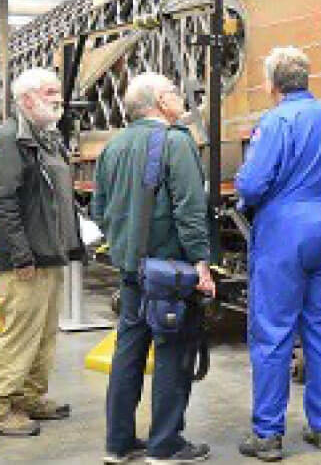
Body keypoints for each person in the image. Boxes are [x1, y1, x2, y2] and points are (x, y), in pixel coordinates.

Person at [92, 72, 215, 465]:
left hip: (131, 269)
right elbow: (190, 209)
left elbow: (99, 209)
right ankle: (165, 444)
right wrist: (202, 263)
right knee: (173, 353)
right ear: (161, 100)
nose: (181, 98)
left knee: (128, 351)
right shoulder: (176, 142)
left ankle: (119, 443)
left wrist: (127, 247)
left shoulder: (113, 146)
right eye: (176, 92)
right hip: (171, 272)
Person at [236, 47, 321, 461]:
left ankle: (267, 434)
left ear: (272, 84)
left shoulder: (275, 121)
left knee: (273, 331)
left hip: (283, 234)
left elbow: (252, 184)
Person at [0, 68, 84, 437]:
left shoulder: (46, 137)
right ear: (26, 99)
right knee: (21, 334)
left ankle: (29, 396)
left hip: (48, 253)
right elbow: (1, 201)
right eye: (50, 93)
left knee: (44, 334)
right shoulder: (10, 139)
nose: (58, 99)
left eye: (57, 92)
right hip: (25, 260)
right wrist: (21, 255)